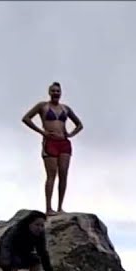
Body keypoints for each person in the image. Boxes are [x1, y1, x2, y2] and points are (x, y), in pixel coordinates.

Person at [21, 82, 83, 216]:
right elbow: (26, 118)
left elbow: (79, 124)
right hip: (50, 142)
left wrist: (70, 134)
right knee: (51, 175)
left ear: (61, 93)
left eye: (58, 91)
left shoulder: (65, 109)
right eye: (53, 91)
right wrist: (42, 132)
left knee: (63, 174)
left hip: (64, 143)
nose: (56, 93)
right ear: (49, 92)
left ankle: (60, 207)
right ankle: (48, 208)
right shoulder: (42, 106)